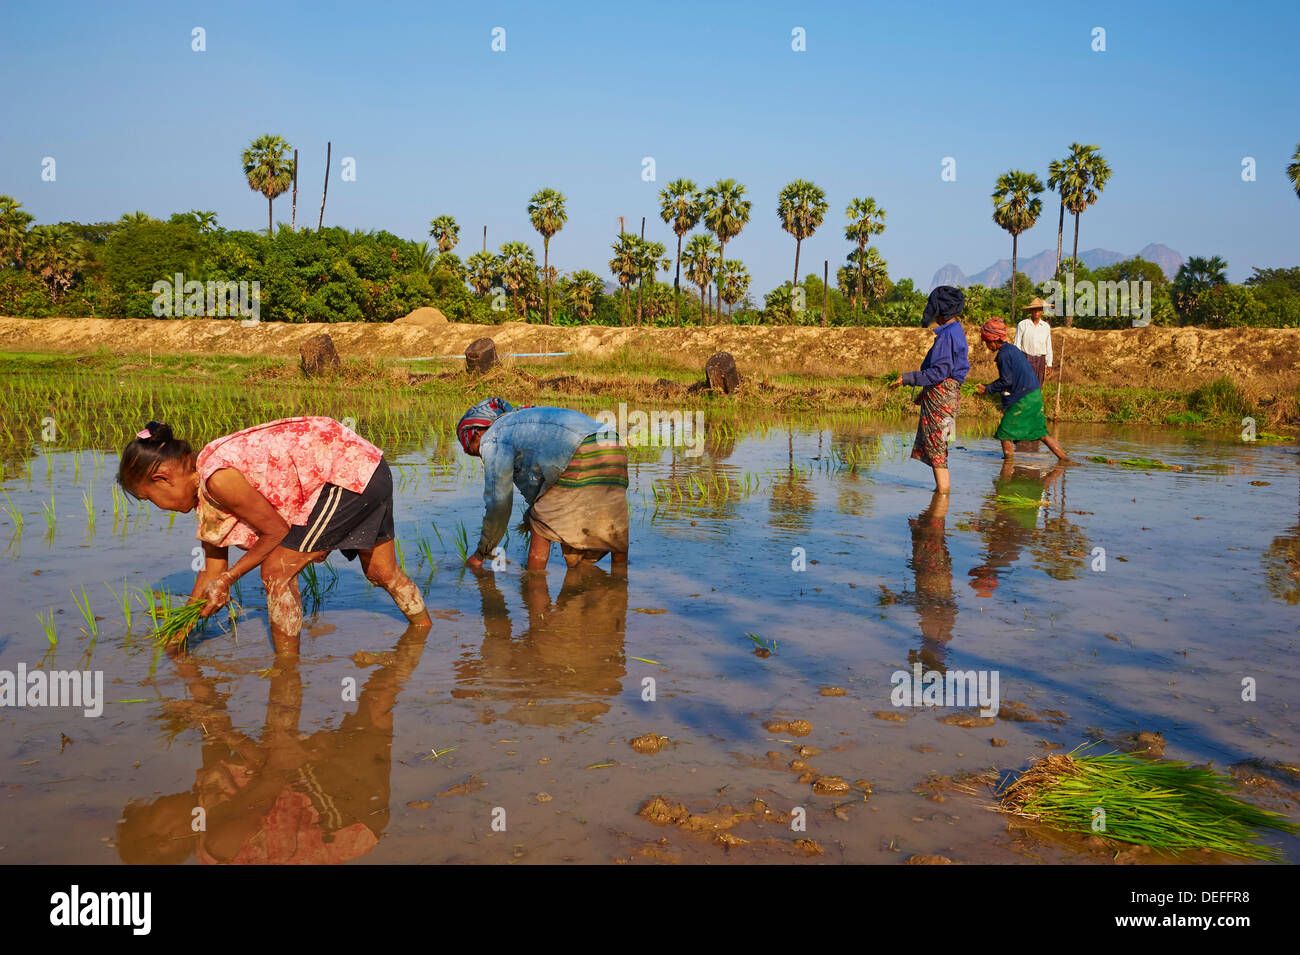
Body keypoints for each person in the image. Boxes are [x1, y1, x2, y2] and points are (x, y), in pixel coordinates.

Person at [117, 417, 430, 655]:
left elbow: (275, 532)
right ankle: (424, 633)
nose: (159, 508)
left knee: (277, 570)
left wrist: (229, 579)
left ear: (162, 478)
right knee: (381, 571)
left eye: (149, 498)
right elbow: (211, 570)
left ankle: (285, 671)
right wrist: (179, 634)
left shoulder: (218, 479)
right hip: (369, 467)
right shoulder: (206, 492)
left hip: (349, 473)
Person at [457, 398, 629, 571]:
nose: (480, 456)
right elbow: (543, 481)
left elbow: (498, 504)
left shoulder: (492, 437)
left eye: (474, 450)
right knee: (614, 526)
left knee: (540, 523)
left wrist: (482, 553)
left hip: (578, 450)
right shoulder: (520, 419)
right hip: (612, 445)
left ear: (478, 433)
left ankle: (534, 583)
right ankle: (619, 581)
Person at [890, 285, 970, 493]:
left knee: (936, 448)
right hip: (951, 399)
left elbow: (939, 373)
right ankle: (941, 499)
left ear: (941, 310)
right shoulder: (957, 330)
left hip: (940, 400)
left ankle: (941, 498)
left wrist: (907, 378)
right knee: (941, 445)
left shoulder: (946, 335)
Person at [974, 318, 1070, 461]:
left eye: (987, 342)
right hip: (1034, 395)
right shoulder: (1012, 349)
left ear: (993, 340)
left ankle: (1008, 467)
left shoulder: (1004, 355)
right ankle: (1065, 461)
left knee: (1004, 433)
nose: (987, 345)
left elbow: (1007, 381)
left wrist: (988, 388)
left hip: (1024, 399)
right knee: (1042, 433)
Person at [1014, 297, 1053, 387]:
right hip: (1026, 358)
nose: (1036, 312)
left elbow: (1048, 346)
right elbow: (1017, 345)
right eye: (1034, 310)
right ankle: (1024, 400)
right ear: (1031, 311)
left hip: (1040, 359)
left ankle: (1035, 401)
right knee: (1025, 383)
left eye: (1039, 310)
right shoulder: (1023, 325)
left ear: (1042, 311)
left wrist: (1049, 363)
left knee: (1038, 383)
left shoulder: (1045, 327)